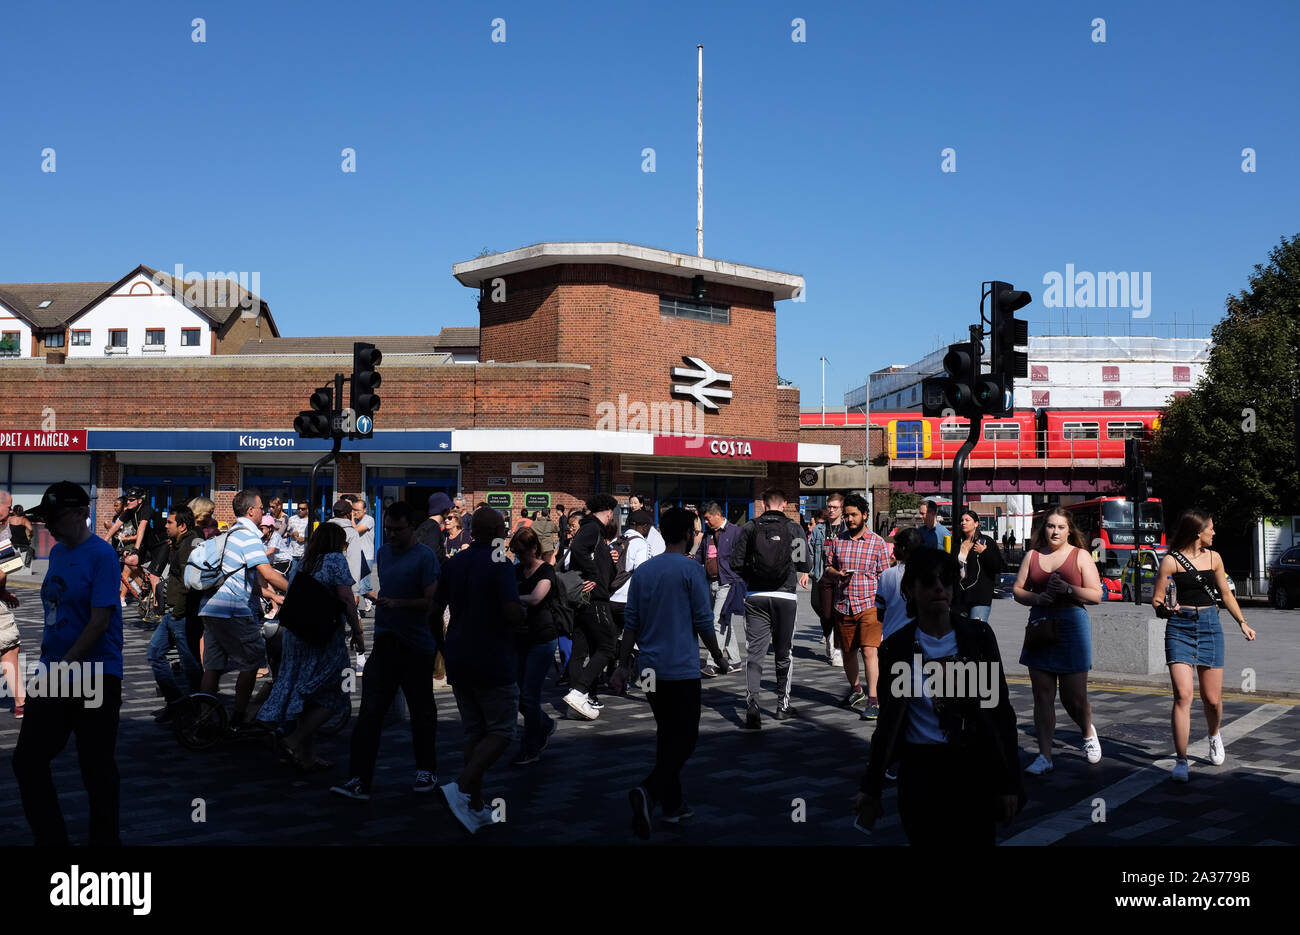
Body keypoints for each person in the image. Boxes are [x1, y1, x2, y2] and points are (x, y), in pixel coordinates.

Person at [854, 547, 1022, 845]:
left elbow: (999, 713)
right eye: (929, 581)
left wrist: (1008, 782)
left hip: (972, 769)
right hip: (921, 772)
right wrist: (872, 786)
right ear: (910, 589)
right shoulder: (897, 648)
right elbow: (889, 723)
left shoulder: (978, 637)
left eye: (946, 580)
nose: (939, 588)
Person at [13, 482, 124, 845]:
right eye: (46, 520)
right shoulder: (59, 553)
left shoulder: (102, 555)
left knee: (96, 769)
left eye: (55, 518)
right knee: (27, 761)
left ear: (80, 514)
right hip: (55, 670)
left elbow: (99, 621)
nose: (50, 527)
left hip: (95, 674)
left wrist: (64, 665)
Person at [617, 507, 728, 838]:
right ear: (686, 535)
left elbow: (631, 622)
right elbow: (703, 621)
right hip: (680, 667)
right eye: (695, 532)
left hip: (649, 668)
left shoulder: (646, 572)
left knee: (667, 734)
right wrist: (719, 657)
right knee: (687, 739)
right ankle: (649, 791)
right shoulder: (691, 571)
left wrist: (623, 664)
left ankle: (673, 805)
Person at [331, 502, 440, 801]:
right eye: (387, 529)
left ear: (411, 528)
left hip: (417, 645)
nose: (390, 535)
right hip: (386, 641)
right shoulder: (383, 553)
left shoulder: (425, 557)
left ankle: (426, 769)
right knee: (369, 713)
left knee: (422, 711)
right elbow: (383, 590)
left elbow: (430, 602)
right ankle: (359, 779)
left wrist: (398, 603)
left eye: (397, 530)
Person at [433, 507, 524, 834]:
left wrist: (442, 648)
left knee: (475, 731)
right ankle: (459, 787)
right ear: (498, 530)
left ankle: (473, 804)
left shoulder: (455, 562)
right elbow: (511, 610)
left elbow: (435, 610)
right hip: (492, 655)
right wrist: (524, 613)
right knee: (501, 730)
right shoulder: (501, 562)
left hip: (459, 653)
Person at [1151, 510, 1257, 782]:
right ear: (1198, 532)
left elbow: (1225, 594)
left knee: (1212, 700)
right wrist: (1167, 610)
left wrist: (1242, 622)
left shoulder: (1215, 558)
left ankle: (1213, 735)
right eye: (1211, 529)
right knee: (1183, 696)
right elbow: (1157, 600)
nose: (1214, 533)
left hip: (1210, 626)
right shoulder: (1171, 562)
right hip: (1179, 628)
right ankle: (1182, 760)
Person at [260, 523, 365, 771]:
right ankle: (292, 740)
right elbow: (347, 598)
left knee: (307, 694)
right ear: (337, 543)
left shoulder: (305, 562)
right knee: (336, 693)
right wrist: (358, 631)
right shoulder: (335, 560)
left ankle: (306, 755)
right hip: (323, 636)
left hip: (297, 634)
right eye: (344, 543)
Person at [1012, 506, 1105, 776]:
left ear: (1069, 530)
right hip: (1040, 625)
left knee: (1073, 696)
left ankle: (1087, 731)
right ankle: (1045, 755)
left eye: (1060, 527)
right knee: (1042, 695)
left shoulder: (1080, 556)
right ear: (1044, 529)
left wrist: (1068, 589)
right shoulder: (1032, 555)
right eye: (1051, 526)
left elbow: (1096, 595)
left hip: (1072, 624)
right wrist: (1037, 598)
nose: (1055, 531)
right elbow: (1018, 590)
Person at [196, 489, 290, 732]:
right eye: (261, 508)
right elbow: (266, 573)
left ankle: (205, 718)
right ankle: (239, 717)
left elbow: (244, 580)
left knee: (213, 666)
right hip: (232, 609)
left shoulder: (229, 535)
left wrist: (272, 595)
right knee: (254, 659)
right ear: (251, 511)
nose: (264, 511)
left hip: (210, 607)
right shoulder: (249, 538)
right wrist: (298, 590)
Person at [731, 488, 812, 728]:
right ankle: (781, 706)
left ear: (763, 505)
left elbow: (736, 564)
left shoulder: (750, 527)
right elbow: (804, 562)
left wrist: (753, 576)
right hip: (785, 596)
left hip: (755, 596)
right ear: (785, 503)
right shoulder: (794, 528)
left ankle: (752, 704)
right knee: (783, 652)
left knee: (754, 653)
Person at [823, 493, 890, 719]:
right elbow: (828, 567)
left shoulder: (877, 543)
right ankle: (856, 689)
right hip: (843, 604)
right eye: (847, 515)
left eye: (854, 515)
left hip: (870, 603)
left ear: (865, 516)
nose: (850, 519)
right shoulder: (838, 540)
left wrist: (886, 605)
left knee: (870, 651)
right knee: (848, 652)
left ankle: (874, 700)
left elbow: (884, 576)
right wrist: (837, 574)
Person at [562, 494, 619, 720]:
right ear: (608, 512)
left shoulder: (594, 532)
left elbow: (607, 572)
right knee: (608, 645)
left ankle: (576, 701)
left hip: (587, 600)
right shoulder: (592, 528)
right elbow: (577, 550)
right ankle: (579, 692)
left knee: (580, 650)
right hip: (593, 599)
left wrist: (609, 561)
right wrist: (594, 573)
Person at [146, 506, 204, 721]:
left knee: (190, 665)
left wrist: (179, 612)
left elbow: (189, 583)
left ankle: (200, 707)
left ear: (182, 526)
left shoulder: (188, 547)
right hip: (173, 614)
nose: (166, 525)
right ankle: (177, 702)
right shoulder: (179, 544)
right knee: (155, 653)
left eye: (170, 522)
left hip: (182, 614)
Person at [509, 527, 560, 766]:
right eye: (516, 552)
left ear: (533, 548)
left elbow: (537, 598)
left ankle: (531, 746)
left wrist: (511, 599)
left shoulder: (546, 570)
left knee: (529, 695)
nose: (520, 557)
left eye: (522, 552)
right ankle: (545, 723)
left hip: (542, 638)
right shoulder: (516, 570)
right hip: (520, 638)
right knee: (518, 695)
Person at [698, 502, 745, 676]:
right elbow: (699, 556)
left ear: (717, 515)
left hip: (728, 583)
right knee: (725, 621)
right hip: (710, 583)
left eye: (708, 519)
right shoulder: (707, 535)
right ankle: (735, 660)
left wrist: (739, 580)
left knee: (716, 622)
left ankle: (713, 662)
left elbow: (743, 558)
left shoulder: (735, 532)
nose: (707, 523)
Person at [0, 491, 27, 718]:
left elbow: (6, 565)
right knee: (8, 648)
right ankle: (21, 703)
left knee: (9, 648)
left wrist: (3, 591)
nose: (9, 513)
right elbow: (6, 565)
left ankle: (21, 702)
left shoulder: (4, 526)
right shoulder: (2, 527)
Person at [814, 493, 847, 666]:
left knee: (838, 614)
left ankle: (838, 650)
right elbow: (812, 551)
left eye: (835, 507)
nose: (831, 510)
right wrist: (808, 572)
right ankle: (828, 636)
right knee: (825, 614)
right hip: (823, 574)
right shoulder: (820, 529)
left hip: (841, 576)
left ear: (842, 508)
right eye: (829, 506)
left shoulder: (846, 529)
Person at [955, 509, 1005, 623]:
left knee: (976, 634)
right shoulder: (958, 543)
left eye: (967, 520)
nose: (963, 522)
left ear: (976, 523)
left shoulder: (986, 541)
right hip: (961, 596)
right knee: (960, 632)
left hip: (979, 596)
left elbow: (997, 566)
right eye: (962, 520)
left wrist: (984, 553)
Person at [876, 528, 924, 642]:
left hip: (893, 639)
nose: (893, 548)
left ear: (903, 548)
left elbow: (880, 614)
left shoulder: (888, 575)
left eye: (895, 545)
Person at [327, 499, 363, 606]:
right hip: (342, 583)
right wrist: (355, 592)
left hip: (323, 581)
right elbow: (354, 563)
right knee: (353, 619)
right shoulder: (351, 533)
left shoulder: (323, 528)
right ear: (349, 514)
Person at [351, 496, 375, 616]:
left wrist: (350, 518)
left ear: (365, 510)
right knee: (356, 585)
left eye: (358, 510)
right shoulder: (355, 520)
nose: (355, 512)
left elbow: (355, 531)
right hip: (355, 556)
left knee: (365, 586)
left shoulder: (368, 519)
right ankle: (359, 608)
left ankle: (380, 599)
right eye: (353, 509)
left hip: (366, 556)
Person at [416, 492, 453, 561]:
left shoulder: (425, 525)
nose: (449, 511)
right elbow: (431, 555)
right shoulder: (433, 528)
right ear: (443, 509)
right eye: (448, 508)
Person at [8, 503, 35, 571]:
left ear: (14, 511)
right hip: (22, 542)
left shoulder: (10, 519)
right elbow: (31, 529)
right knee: (31, 550)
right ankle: (26, 566)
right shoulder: (24, 520)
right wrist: (31, 536)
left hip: (12, 542)